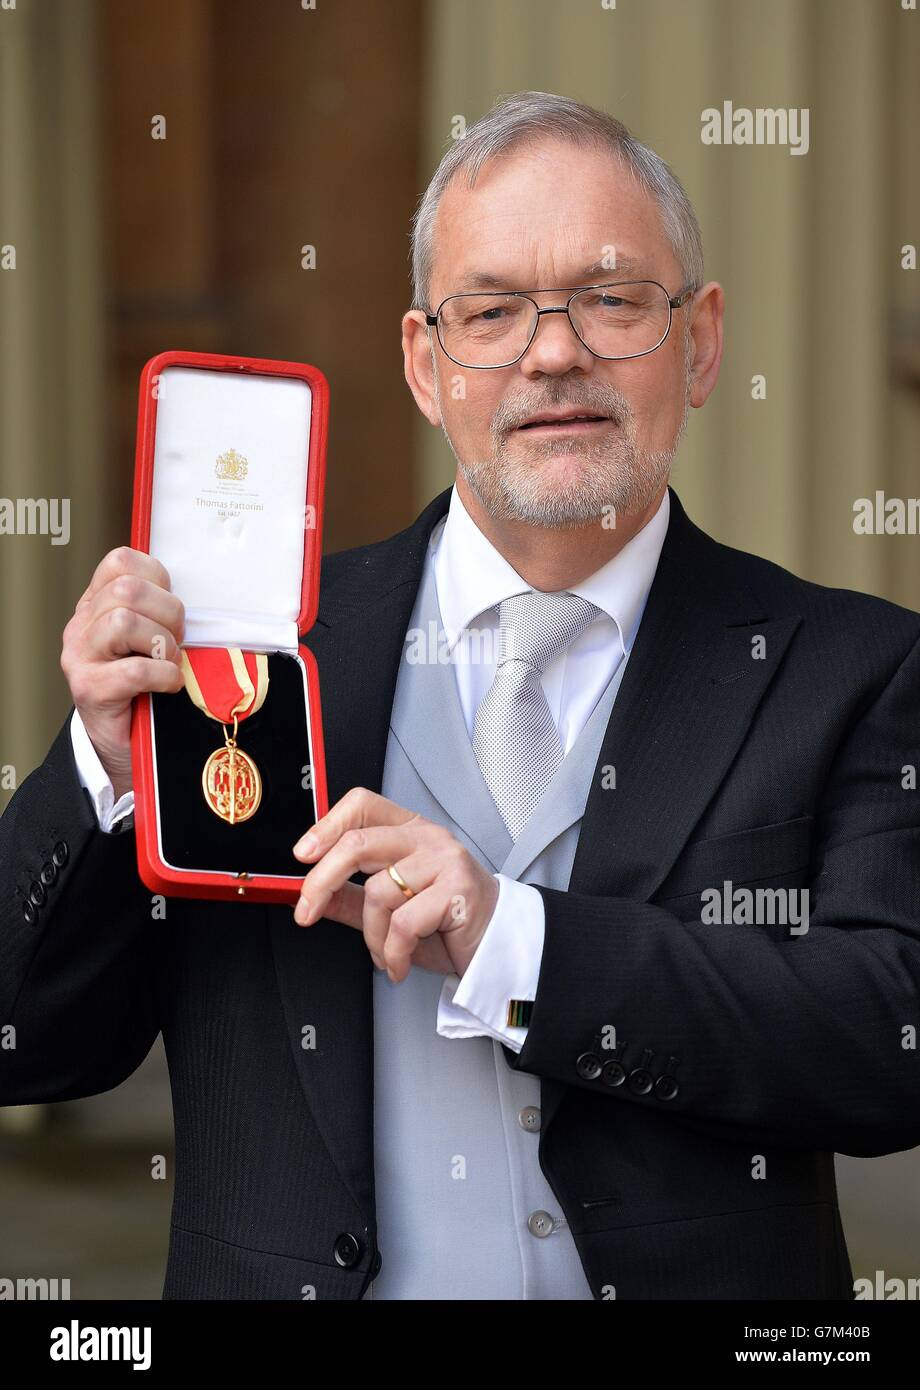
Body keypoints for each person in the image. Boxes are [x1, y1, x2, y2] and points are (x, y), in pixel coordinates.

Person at [2, 90, 919, 1301]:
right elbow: (26, 1042)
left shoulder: (851, 664)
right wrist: (102, 767)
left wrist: (515, 938)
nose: (551, 353)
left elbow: (886, 1046)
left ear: (698, 344)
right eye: (489, 311)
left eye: (609, 299)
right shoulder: (252, 658)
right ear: (425, 367)